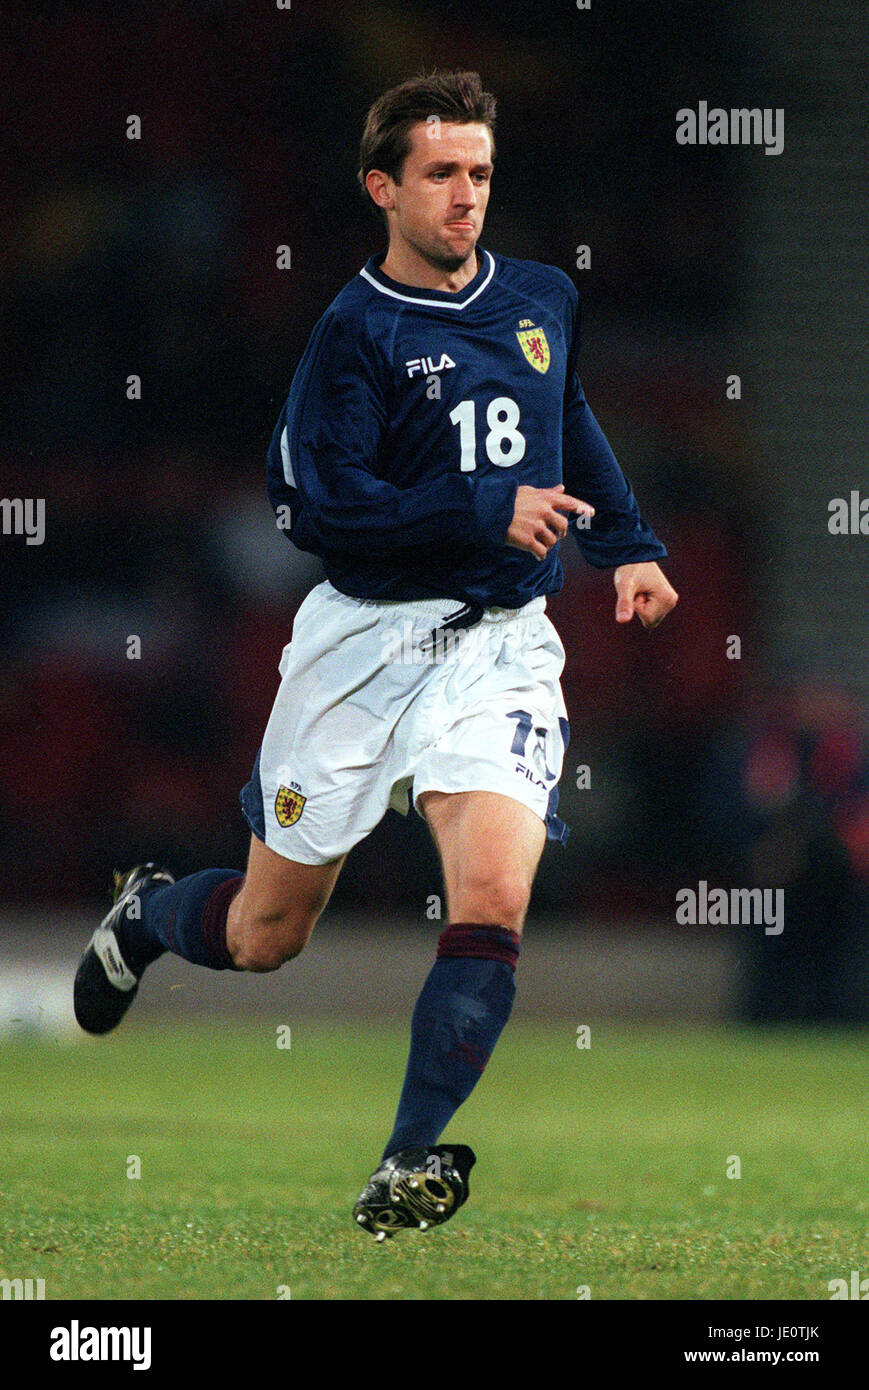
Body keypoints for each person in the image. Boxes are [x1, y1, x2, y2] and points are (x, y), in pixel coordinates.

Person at [74, 70, 678, 1240]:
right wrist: (476, 507)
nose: (466, 198)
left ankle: (407, 1156)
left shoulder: (541, 296)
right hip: (361, 647)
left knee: (493, 894)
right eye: (442, 175)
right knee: (265, 935)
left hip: (499, 646)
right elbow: (317, 517)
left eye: (481, 174)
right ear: (381, 188)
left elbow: (571, 415)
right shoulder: (351, 336)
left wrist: (632, 545)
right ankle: (148, 917)